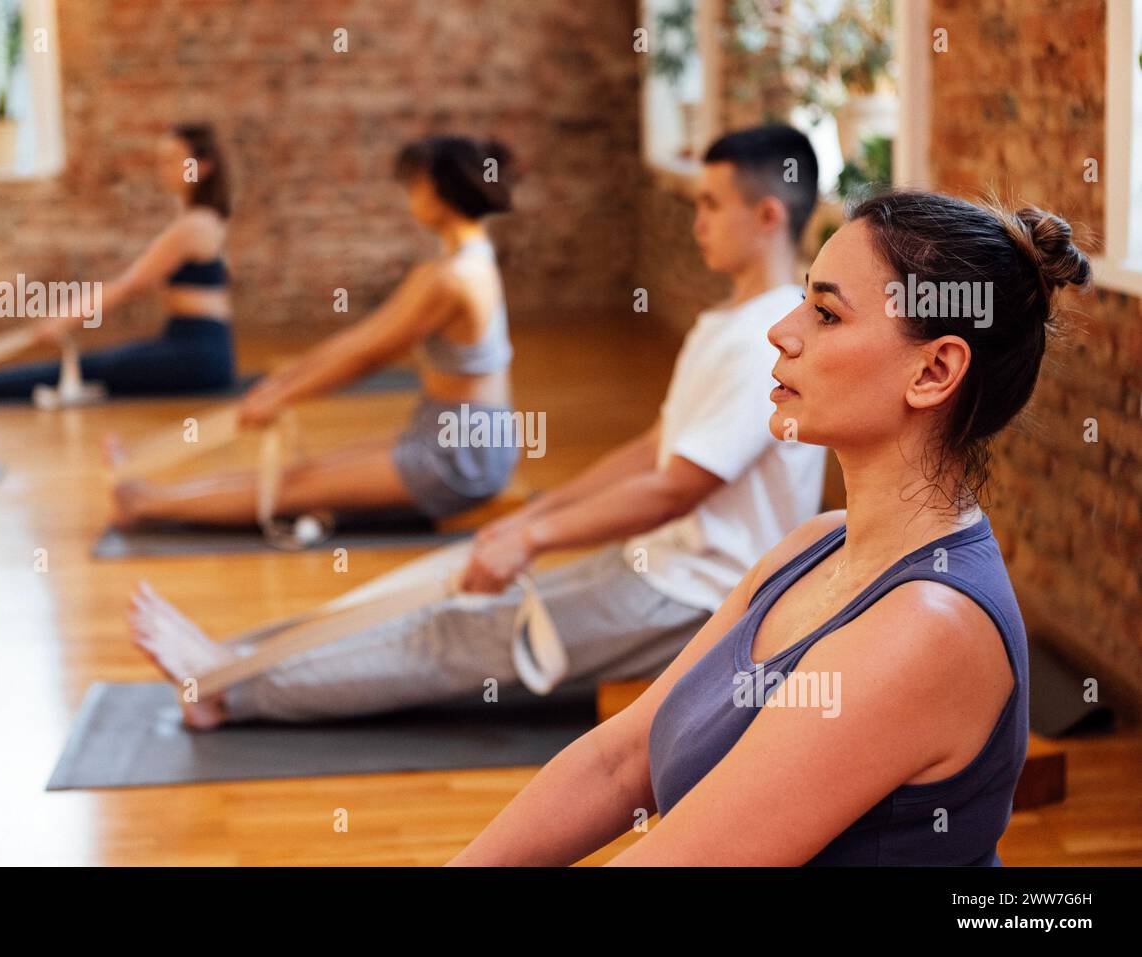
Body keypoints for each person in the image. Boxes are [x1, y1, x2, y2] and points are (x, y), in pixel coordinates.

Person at [449, 191, 1091, 866]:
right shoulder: (813, 545)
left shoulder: (928, 629)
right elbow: (621, 758)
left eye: (825, 312)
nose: (781, 330)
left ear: (933, 371)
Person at [129, 124, 829, 731]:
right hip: (663, 565)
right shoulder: (725, 325)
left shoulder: (766, 340)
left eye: (710, 204)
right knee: (450, 600)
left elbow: (674, 488)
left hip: (704, 596)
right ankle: (230, 661)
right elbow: (653, 447)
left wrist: (531, 535)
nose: (696, 220)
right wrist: (538, 512)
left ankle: (227, 692)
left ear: (767, 215)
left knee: (456, 633)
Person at [109, 134, 521, 527]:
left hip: (463, 455)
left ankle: (143, 502)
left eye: (415, 183)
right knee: (303, 474)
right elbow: (360, 339)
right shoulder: (465, 261)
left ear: (437, 191)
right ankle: (146, 492)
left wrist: (284, 397)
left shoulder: (451, 278)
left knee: (292, 488)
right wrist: (282, 383)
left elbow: (368, 357)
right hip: (450, 434)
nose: (411, 194)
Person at [0, 122, 237, 399]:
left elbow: (127, 285)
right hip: (191, 345)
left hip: (198, 355)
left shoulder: (193, 226)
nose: (163, 169)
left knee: (91, 367)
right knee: (100, 364)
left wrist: (64, 318)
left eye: (173, 160)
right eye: (161, 161)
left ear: (203, 167)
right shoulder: (198, 220)